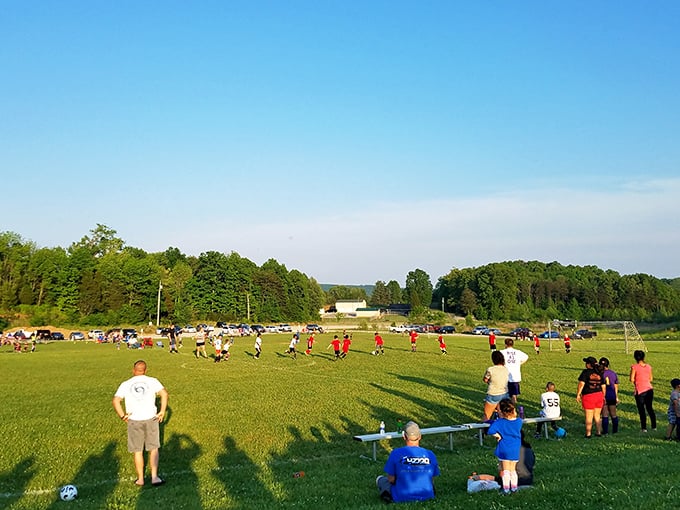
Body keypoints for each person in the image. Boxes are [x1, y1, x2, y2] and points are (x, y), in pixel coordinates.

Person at [112, 360, 169, 487]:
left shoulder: (126, 384)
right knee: (153, 448)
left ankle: (140, 479)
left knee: (138, 451)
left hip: (134, 419)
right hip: (151, 418)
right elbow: (164, 394)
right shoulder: (152, 380)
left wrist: (123, 416)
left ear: (133, 370)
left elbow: (116, 400)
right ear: (145, 370)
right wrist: (162, 411)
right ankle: (154, 477)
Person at [376, 421, 440, 503]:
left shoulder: (396, 453)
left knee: (381, 480)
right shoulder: (430, 454)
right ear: (420, 436)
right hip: (427, 494)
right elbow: (431, 478)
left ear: (404, 436)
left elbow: (391, 479)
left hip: (402, 495)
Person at [487, 398, 523, 494]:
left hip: (504, 448)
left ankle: (506, 489)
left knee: (506, 470)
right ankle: (514, 488)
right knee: (513, 469)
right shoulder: (519, 421)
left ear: (502, 412)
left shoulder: (500, 422)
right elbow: (518, 419)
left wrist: (498, 435)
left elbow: (490, 431)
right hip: (515, 448)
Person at [576, 356, 606, 438]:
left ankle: (588, 434)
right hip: (599, 395)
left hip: (588, 396)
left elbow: (581, 384)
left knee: (589, 416)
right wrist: (603, 396)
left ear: (589, 365)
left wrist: (578, 394)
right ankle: (598, 432)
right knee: (597, 415)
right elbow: (603, 386)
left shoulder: (585, 372)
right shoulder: (600, 372)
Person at [630, 350, 656, 432]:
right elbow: (651, 378)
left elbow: (631, 379)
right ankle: (654, 426)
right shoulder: (648, 366)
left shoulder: (634, 367)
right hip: (649, 389)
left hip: (640, 390)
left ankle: (644, 428)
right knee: (649, 408)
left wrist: (636, 381)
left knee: (641, 409)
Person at [500, 338, 529, 404]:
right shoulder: (518, 352)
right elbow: (526, 357)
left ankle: (505, 408)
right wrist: (520, 363)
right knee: (513, 395)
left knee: (503, 393)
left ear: (505, 344)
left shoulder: (502, 352)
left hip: (505, 375)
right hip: (515, 376)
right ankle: (513, 407)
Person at [483, 350, 509, 421]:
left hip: (493, 394)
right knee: (502, 414)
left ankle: (483, 431)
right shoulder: (506, 369)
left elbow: (485, 379)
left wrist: (489, 382)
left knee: (486, 415)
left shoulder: (491, 369)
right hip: (504, 393)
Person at [599, 357, 620, 434]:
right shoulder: (613, 373)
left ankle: (605, 431)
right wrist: (616, 396)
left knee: (605, 414)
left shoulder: (600, 374)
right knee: (613, 414)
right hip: (612, 395)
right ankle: (615, 430)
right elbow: (616, 386)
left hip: (603, 395)